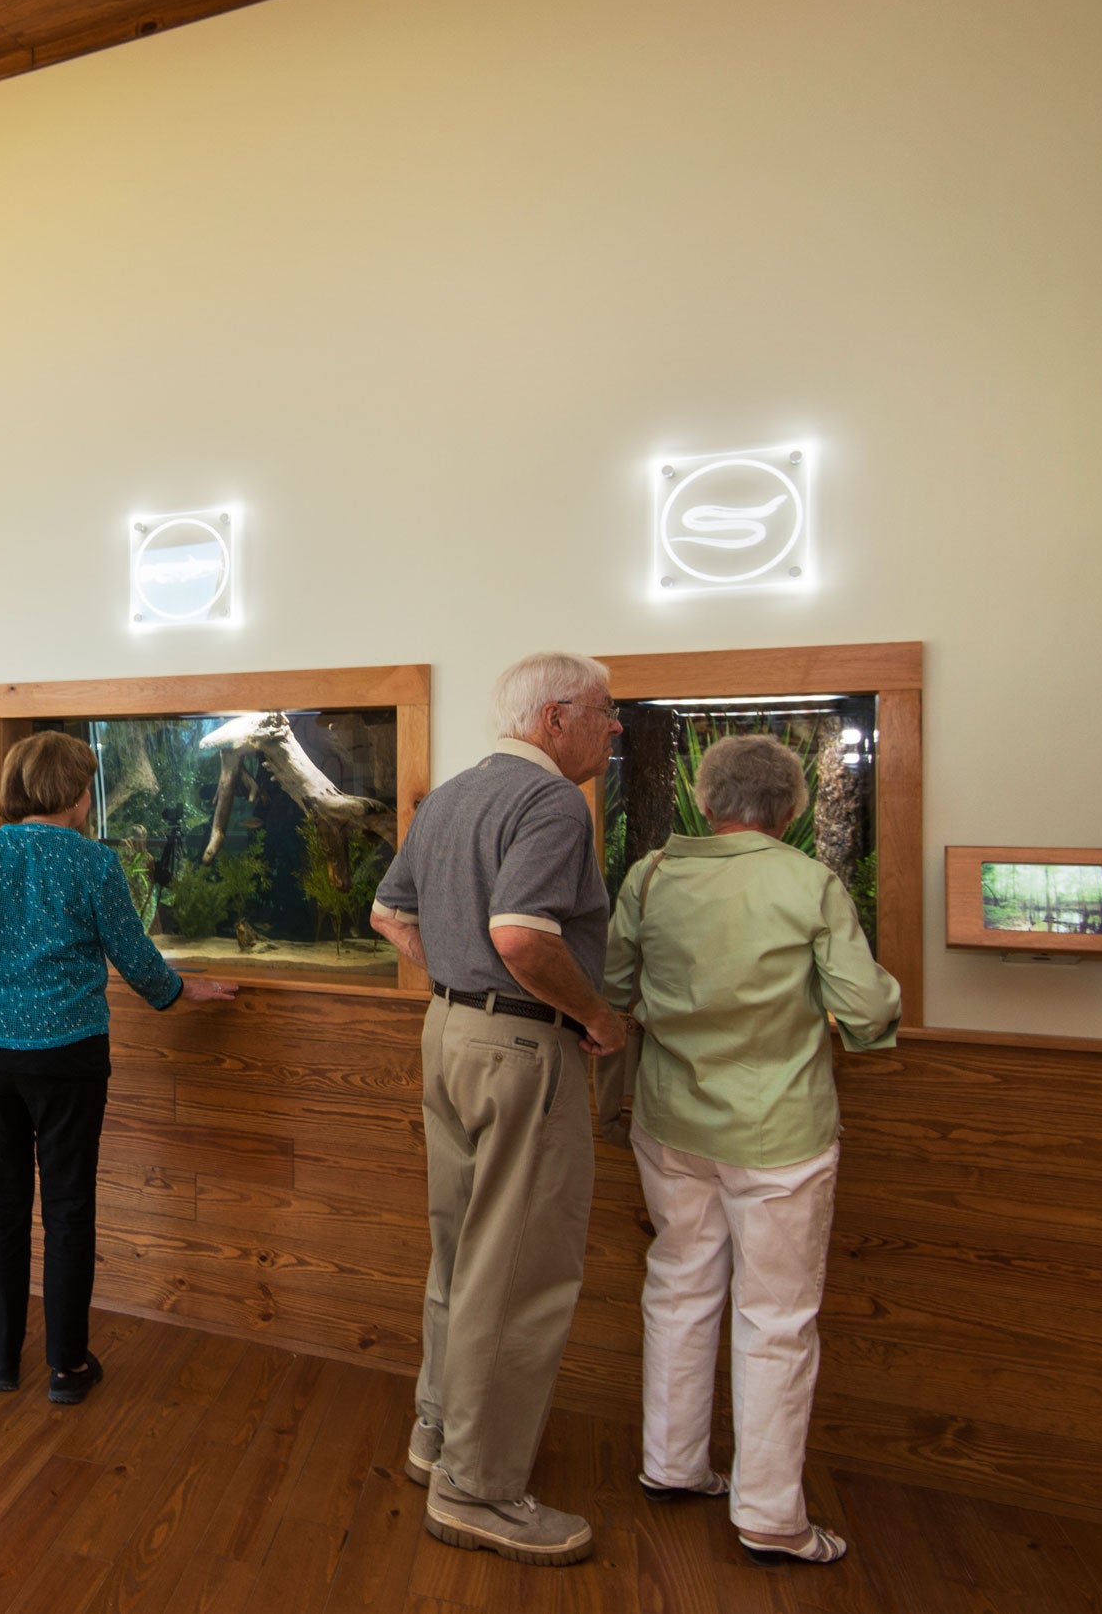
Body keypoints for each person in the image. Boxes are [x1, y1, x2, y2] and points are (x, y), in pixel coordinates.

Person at [603, 732, 900, 1568]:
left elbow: (616, 988)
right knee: (776, 1319)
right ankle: (770, 1518)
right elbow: (866, 1011)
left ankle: (671, 1466)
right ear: (789, 809)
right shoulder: (809, 882)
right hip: (779, 1135)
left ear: (706, 797)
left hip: (668, 1123)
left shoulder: (652, 875)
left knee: (678, 1286)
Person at [369, 651, 625, 1568]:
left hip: (447, 1037)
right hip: (524, 1048)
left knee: (462, 1247)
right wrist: (596, 1015)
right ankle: (478, 1489)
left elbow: (387, 914)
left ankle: (436, 1432)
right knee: (517, 1271)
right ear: (555, 718)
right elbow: (521, 933)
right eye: (603, 712)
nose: (615, 727)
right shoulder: (554, 803)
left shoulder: (449, 797)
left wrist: (456, 978)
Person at [0, 732, 238, 1405]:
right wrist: (184, 990)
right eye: (88, 788)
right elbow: (133, 955)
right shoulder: (94, 863)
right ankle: (66, 1368)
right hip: (67, 1057)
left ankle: (1, 1360)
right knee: (68, 1208)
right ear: (71, 795)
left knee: (0, 1209)